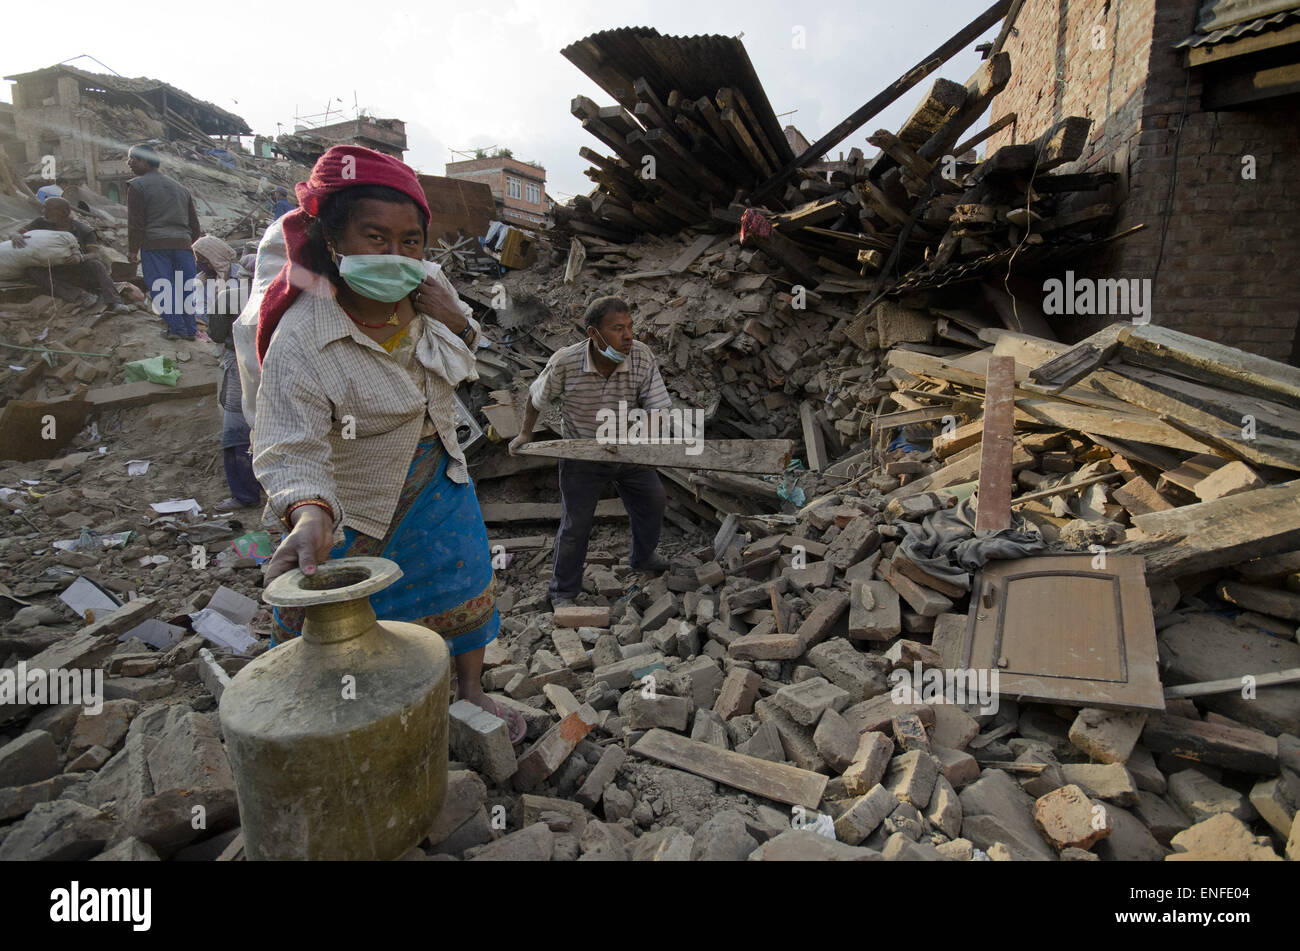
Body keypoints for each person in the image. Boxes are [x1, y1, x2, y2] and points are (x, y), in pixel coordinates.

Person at [252, 144, 524, 743]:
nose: (397, 256)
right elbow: (290, 442)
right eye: (376, 237)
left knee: (463, 579)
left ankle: (471, 691)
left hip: (437, 470)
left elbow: (463, 363)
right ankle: (338, 711)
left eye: (411, 242)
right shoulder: (305, 334)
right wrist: (309, 511)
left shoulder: (429, 290)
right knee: (328, 614)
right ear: (333, 241)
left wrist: (455, 318)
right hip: (351, 489)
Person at [509, 295, 672, 610]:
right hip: (582, 452)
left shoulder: (641, 356)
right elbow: (535, 398)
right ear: (593, 334)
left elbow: (656, 407)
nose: (628, 336)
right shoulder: (565, 362)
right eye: (617, 329)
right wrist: (525, 433)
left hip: (628, 449)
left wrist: (645, 447)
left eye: (630, 326)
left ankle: (642, 557)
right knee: (576, 523)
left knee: (654, 499)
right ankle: (562, 592)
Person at [197, 235, 260, 514]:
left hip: (240, 368)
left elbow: (217, 334)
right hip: (280, 368)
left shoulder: (229, 297)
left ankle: (245, 495)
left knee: (236, 432)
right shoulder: (286, 293)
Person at [126, 143, 203, 340]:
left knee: (162, 286)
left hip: (155, 245)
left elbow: (136, 223)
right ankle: (190, 330)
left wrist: (133, 250)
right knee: (185, 287)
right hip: (183, 246)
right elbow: (195, 226)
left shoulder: (136, 186)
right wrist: (185, 242)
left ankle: (177, 329)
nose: (129, 164)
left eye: (132, 159)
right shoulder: (181, 188)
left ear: (144, 160)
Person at [8, 196, 129, 313]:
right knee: (32, 271)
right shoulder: (40, 223)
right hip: (54, 271)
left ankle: (115, 302)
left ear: (62, 212)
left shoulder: (83, 229)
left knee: (96, 265)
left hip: (78, 271)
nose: (43, 211)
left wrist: (80, 257)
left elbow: (96, 254)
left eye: (47, 209)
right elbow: (15, 232)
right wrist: (15, 235)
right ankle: (81, 296)